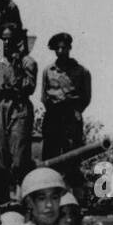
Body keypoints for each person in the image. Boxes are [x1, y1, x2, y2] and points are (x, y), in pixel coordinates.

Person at [0, 23, 37, 188]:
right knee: (2, 155)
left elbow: (29, 87)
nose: (6, 43)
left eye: (9, 39)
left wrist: (17, 66)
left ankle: (20, 192)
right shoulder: (0, 61)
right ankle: (8, 195)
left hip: (19, 108)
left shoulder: (27, 62)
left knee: (19, 157)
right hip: (3, 108)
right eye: (3, 39)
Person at [40, 33, 92, 161]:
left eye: (64, 48)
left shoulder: (82, 71)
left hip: (71, 117)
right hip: (53, 115)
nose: (60, 51)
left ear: (69, 48)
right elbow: (44, 96)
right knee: (50, 153)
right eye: (57, 48)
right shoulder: (48, 70)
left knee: (72, 155)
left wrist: (75, 111)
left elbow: (86, 97)